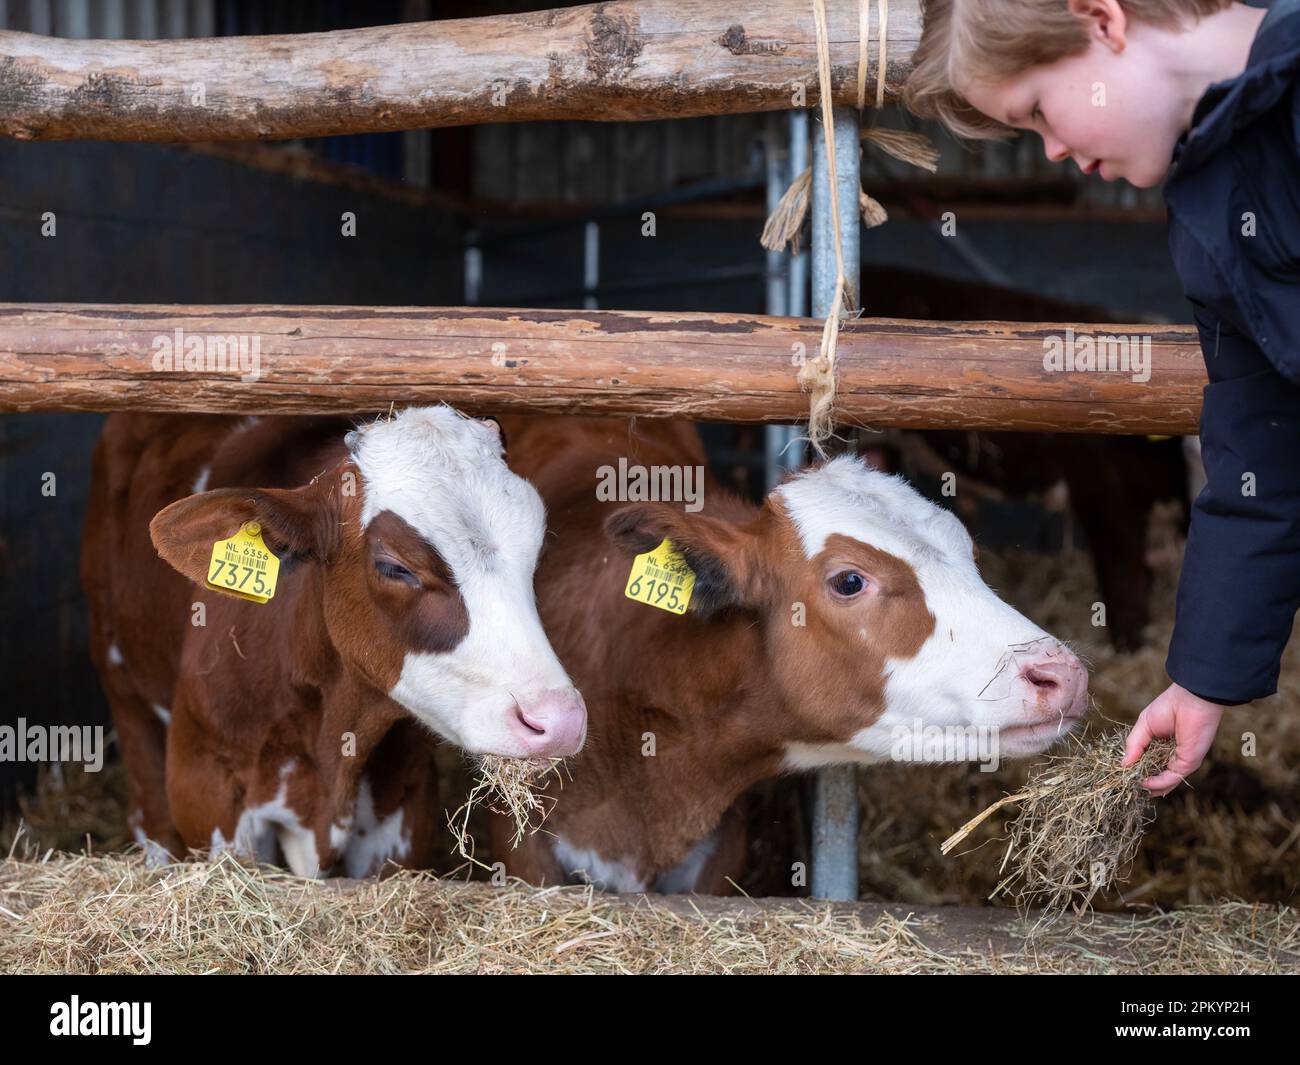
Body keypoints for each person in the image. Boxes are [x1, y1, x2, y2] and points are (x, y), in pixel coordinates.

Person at [902, 0, 1300, 793]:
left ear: (1102, 21)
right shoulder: (1204, 216)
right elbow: (1261, 449)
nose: (1055, 150)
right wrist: (1202, 677)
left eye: (1040, 113)